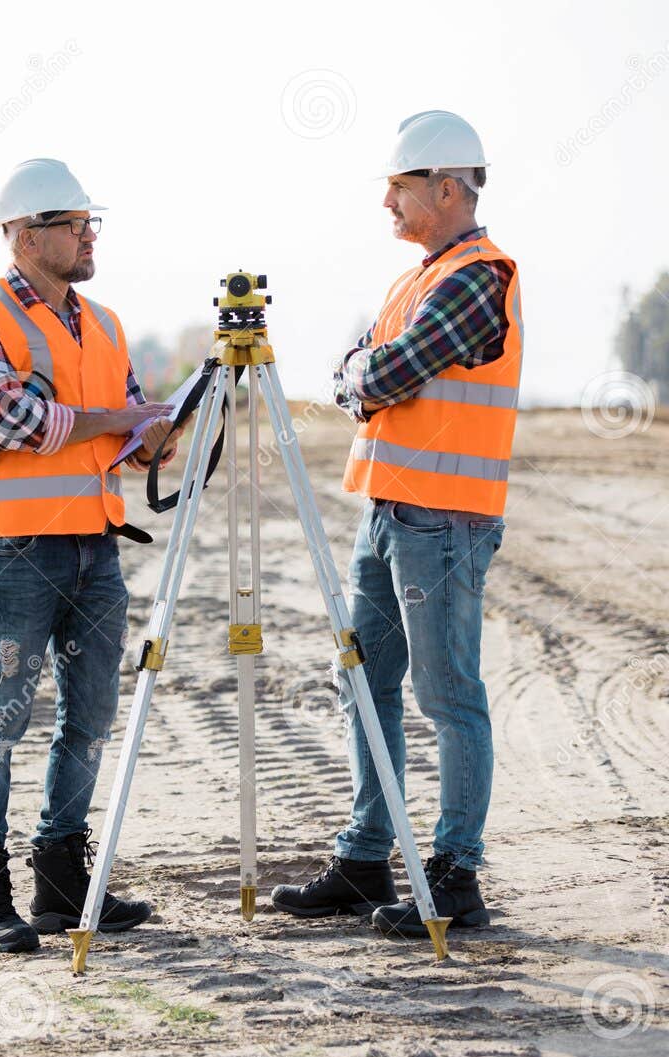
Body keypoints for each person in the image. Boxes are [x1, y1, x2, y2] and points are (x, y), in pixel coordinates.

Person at [270, 112, 522, 938]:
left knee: (447, 693)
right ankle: (367, 853)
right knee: (363, 678)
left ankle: (454, 875)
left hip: (443, 519)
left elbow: (386, 369)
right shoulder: (420, 275)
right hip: (390, 511)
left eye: (400, 186)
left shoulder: (476, 278)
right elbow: (362, 375)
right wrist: (359, 373)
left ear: (446, 188)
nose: (386, 201)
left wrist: (359, 372)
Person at [0, 158, 177, 953]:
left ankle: (64, 881)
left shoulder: (103, 323)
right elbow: (7, 418)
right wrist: (115, 418)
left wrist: (159, 431)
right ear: (26, 235)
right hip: (16, 550)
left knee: (92, 717)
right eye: (75, 225)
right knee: (0, 718)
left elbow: (126, 431)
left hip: (94, 547)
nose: (88, 236)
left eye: (88, 223)